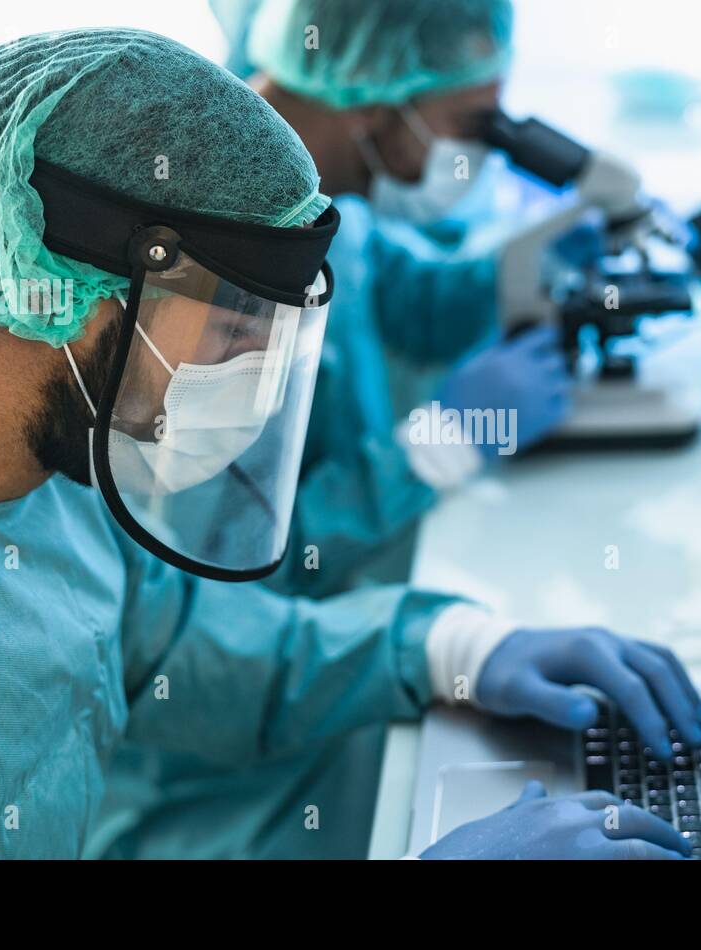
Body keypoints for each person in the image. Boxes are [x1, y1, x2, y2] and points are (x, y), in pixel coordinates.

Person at [0, 28, 701, 859]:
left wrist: (455, 649)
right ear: (80, 306)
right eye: (238, 340)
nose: (257, 388)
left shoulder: (39, 462)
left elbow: (185, 645)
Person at [216, 0, 567, 598]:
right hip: (291, 652)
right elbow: (232, 566)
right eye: (471, 124)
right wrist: (435, 451)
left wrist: (534, 258)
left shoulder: (320, 190)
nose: (480, 155)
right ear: (374, 91)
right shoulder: (219, 243)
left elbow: (410, 305)